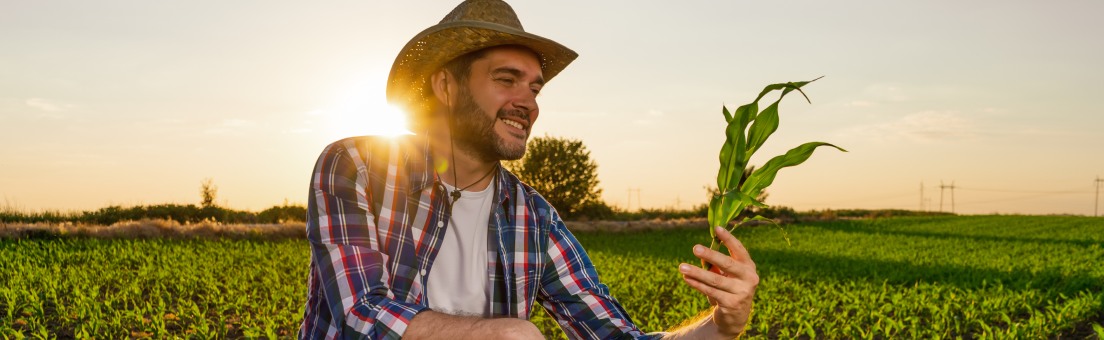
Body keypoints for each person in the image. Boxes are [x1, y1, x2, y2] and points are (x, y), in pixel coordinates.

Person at [298, 1, 758, 339]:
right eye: (506, 80)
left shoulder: (533, 217)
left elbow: (614, 336)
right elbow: (360, 315)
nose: (529, 103)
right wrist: (499, 334)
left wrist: (722, 325)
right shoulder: (357, 166)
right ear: (445, 85)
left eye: (535, 88)